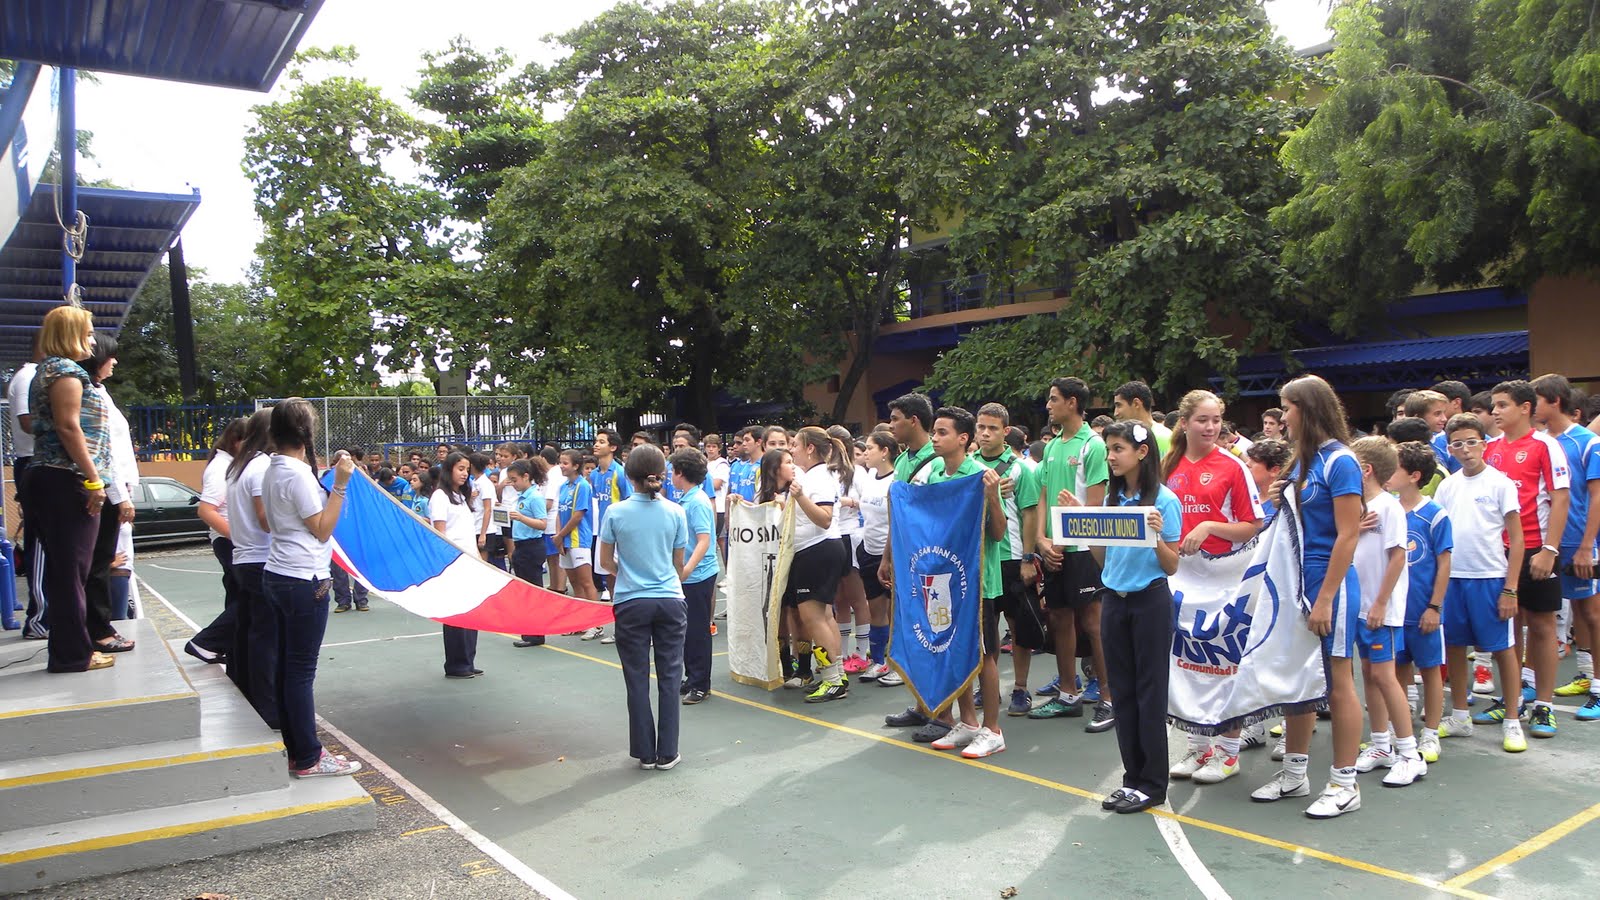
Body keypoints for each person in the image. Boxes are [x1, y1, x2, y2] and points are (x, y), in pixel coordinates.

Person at [1250, 375, 1366, 819]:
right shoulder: (1301, 462)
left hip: (1327, 582)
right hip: (1296, 580)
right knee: (1300, 680)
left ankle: (1344, 782)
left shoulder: (1341, 462)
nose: (1282, 417)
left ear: (1309, 408)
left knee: (1337, 682)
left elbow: (1348, 534)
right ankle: (1295, 774)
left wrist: (1326, 598)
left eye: (1288, 408)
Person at [1065, 420, 1181, 814]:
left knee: (1150, 693)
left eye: (1118, 449)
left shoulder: (1163, 501)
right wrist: (1085, 523)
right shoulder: (1112, 502)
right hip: (1114, 600)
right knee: (1123, 691)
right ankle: (1133, 779)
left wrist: (1158, 535)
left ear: (1141, 453)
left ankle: (1152, 783)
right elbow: (1103, 560)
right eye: (1109, 449)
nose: (1111, 457)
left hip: (1150, 602)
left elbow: (1171, 565)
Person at [1162, 390, 1266, 784]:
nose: (1210, 427)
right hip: (1179, 578)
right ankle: (1196, 747)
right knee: (1184, 664)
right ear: (1185, 422)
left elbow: (1251, 524)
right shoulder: (1167, 464)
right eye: (1202, 420)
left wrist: (1208, 527)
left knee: (1223, 663)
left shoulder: (1232, 467)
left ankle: (1228, 752)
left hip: (1226, 579)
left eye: (1216, 420)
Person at [260, 399, 362, 777]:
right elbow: (321, 528)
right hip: (304, 579)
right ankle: (309, 756)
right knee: (300, 671)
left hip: (280, 574)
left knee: (288, 667)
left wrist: (331, 470)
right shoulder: (296, 475)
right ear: (305, 432)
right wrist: (341, 485)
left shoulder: (275, 468)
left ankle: (297, 749)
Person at [26, 307, 115, 672]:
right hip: (66, 479)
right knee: (71, 572)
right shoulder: (64, 372)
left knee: (69, 571)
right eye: (89, 333)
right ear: (72, 334)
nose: (93, 341)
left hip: (55, 478)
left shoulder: (51, 371)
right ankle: (72, 654)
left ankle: (73, 649)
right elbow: (68, 427)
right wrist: (93, 478)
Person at [1434, 413, 1527, 752]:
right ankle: (1460, 715)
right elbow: (1440, 539)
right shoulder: (1447, 486)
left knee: (1503, 649)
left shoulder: (1501, 483)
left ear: (1484, 444)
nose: (1466, 449)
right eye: (1457, 444)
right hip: (1454, 580)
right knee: (1456, 647)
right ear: (1451, 449)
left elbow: (1517, 540)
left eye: (1472, 441)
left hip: (1490, 579)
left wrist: (1510, 587)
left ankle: (1513, 720)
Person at [1483, 380, 1569, 738]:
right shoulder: (1489, 449)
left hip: (1536, 548)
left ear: (1525, 408)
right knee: (1509, 627)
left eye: (1502, 405)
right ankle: (1513, 699)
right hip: (1497, 552)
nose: (1495, 412)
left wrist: (1549, 550)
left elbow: (1561, 498)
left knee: (1542, 625)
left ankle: (1544, 706)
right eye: (1494, 406)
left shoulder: (1546, 446)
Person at [922, 407, 1008, 759]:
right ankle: (968, 722)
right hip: (945, 580)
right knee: (952, 648)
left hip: (979, 583)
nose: (935, 438)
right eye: (934, 432)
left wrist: (991, 496)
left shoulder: (981, 476)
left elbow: (999, 533)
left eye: (942, 432)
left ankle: (993, 729)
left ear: (963, 439)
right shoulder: (934, 478)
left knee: (985, 655)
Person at [598, 445, 689, 769]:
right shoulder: (676, 512)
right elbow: (678, 564)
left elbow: (605, 561)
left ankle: (644, 752)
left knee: (636, 677)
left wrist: (628, 571)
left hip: (631, 601)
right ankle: (668, 751)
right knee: (670, 675)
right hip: (669, 598)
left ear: (628, 475)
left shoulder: (615, 512)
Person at [1029, 377, 1111, 728]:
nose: (1048, 406)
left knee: (1093, 623)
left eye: (1053, 400)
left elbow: (1093, 505)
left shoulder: (1094, 445)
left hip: (1081, 550)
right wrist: (1042, 541)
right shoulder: (1050, 447)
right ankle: (1068, 694)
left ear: (1073, 402)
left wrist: (1059, 544)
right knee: (1059, 619)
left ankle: (1109, 696)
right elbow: (1044, 497)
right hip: (1055, 549)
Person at [1347, 437, 1427, 787]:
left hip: (1381, 608)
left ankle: (1410, 753)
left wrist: (1380, 602)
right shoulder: (1356, 508)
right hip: (1358, 606)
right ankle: (1381, 745)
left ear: (1365, 470)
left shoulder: (1389, 507)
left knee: (1384, 676)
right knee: (1369, 673)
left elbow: (1397, 556)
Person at [1533, 375, 1600, 720]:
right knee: (1539, 615)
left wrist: (1588, 545)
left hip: (1577, 541)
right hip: (1546, 541)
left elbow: (1596, 494)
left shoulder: (1586, 442)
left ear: (1554, 402)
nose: (1531, 407)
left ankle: (1599, 688)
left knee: (1590, 612)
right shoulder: (1539, 441)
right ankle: (1580, 676)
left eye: (1537, 400)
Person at [972, 403, 1044, 719]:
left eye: (992, 428)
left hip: (1012, 559)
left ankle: (1020, 688)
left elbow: (1030, 515)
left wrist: (1028, 559)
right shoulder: (968, 466)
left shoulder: (1021, 469)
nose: (985, 433)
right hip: (979, 559)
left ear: (1006, 430)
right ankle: (986, 688)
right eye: (981, 427)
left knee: (1018, 629)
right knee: (982, 631)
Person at [1386, 441, 1452, 762]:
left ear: (1413, 475)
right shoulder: (1388, 510)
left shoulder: (1435, 515)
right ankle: (1402, 733)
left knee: (1430, 672)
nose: (1387, 473)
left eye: (1394, 468)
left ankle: (1430, 735)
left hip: (1424, 610)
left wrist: (1434, 606)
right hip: (1396, 610)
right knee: (1398, 670)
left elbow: (1444, 563)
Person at [787, 426, 853, 704]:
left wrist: (799, 495)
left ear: (809, 448)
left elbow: (825, 518)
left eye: (795, 444)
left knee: (814, 618)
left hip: (818, 550)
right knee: (824, 616)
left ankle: (831, 680)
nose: (792, 449)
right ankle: (835, 675)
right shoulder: (814, 475)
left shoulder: (818, 478)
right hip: (818, 550)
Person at [227, 408, 278, 728]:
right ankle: (268, 705)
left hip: (245, 556)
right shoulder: (261, 468)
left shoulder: (239, 466)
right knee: (267, 637)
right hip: (261, 558)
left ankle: (250, 692)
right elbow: (265, 517)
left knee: (251, 631)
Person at [84, 336, 139, 631]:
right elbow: (106, 451)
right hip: (108, 489)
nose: (115, 362)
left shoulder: (101, 392)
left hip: (116, 487)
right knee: (104, 559)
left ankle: (106, 624)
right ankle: (101, 627)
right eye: (111, 356)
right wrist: (119, 496)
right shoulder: (90, 395)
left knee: (113, 557)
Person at [187, 418, 248, 662]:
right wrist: (238, 536)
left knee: (237, 594)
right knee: (251, 597)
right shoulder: (221, 469)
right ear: (236, 441)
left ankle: (228, 645)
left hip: (230, 540)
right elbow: (206, 509)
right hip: (229, 541)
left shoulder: (228, 464)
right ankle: (206, 642)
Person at [671, 448, 720, 704]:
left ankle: (701, 683)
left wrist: (687, 569)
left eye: (673, 471)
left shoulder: (697, 501)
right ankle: (692, 677)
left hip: (698, 574)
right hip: (689, 575)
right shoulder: (687, 498)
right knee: (687, 630)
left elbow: (704, 540)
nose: (670, 475)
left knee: (698, 630)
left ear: (681, 473)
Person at [432, 451, 484, 678]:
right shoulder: (440, 497)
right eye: (460, 469)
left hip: (470, 562)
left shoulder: (461, 496)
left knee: (471, 612)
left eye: (467, 469)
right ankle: (456, 664)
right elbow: (440, 534)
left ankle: (468, 660)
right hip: (454, 563)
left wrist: (478, 557)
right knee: (456, 614)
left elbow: (466, 533)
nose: (465, 474)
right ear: (449, 469)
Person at [826, 424, 870, 674]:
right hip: (831, 536)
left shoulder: (858, 473)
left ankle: (861, 652)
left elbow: (869, 504)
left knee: (857, 597)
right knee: (839, 598)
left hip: (851, 536)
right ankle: (843, 652)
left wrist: (848, 502)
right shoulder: (824, 472)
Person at [854, 431, 897, 682]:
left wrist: (888, 556)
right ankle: (879, 660)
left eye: (870, 448)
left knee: (894, 611)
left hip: (890, 553)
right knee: (875, 609)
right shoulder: (868, 475)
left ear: (885, 452)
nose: (865, 452)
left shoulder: (897, 479)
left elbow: (896, 520)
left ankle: (897, 663)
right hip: (868, 550)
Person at [7, 334, 42, 632]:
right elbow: (25, 420)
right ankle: (40, 617)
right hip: (34, 461)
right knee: (42, 543)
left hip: (37, 461)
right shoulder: (29, 375)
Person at [555, 449, 604, 640]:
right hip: (564, 540)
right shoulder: (562, 487)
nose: (561, 466)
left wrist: (561, 535)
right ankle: (581, 622)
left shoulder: (583, 486)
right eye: (560, 462)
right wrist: (559, 536)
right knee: (574, 583)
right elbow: (561, 512)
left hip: (578, 540)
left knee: (586, 582)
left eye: (565, 463)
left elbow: (578, 515)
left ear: (576, 466)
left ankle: (596, 623)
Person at [506, 458, 551, 648]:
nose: (513, 484)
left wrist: (522, 518)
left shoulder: (535, 497)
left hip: (532, 546)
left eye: (515, 480)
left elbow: (542, 523)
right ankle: (528, 630)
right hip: (522, 546)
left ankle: (536, 633)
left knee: (533, 590)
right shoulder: (524, 496)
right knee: (525, 591)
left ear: (526, 477)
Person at [591, 428, 633, 602]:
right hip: (603, 530)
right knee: (607, 573)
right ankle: (616, 612)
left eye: (602, 442)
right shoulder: (593, 475)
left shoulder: (620, 473)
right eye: (596, 441)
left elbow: (630, 501)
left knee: (620, 574)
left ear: (613, 447)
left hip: (620, 532)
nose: (596, 445)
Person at [1112, 380, 1172, 457]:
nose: (1115, 413)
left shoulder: (1162, 437)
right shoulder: (1125, 438)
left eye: (1119, 405)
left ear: (1136, 404)